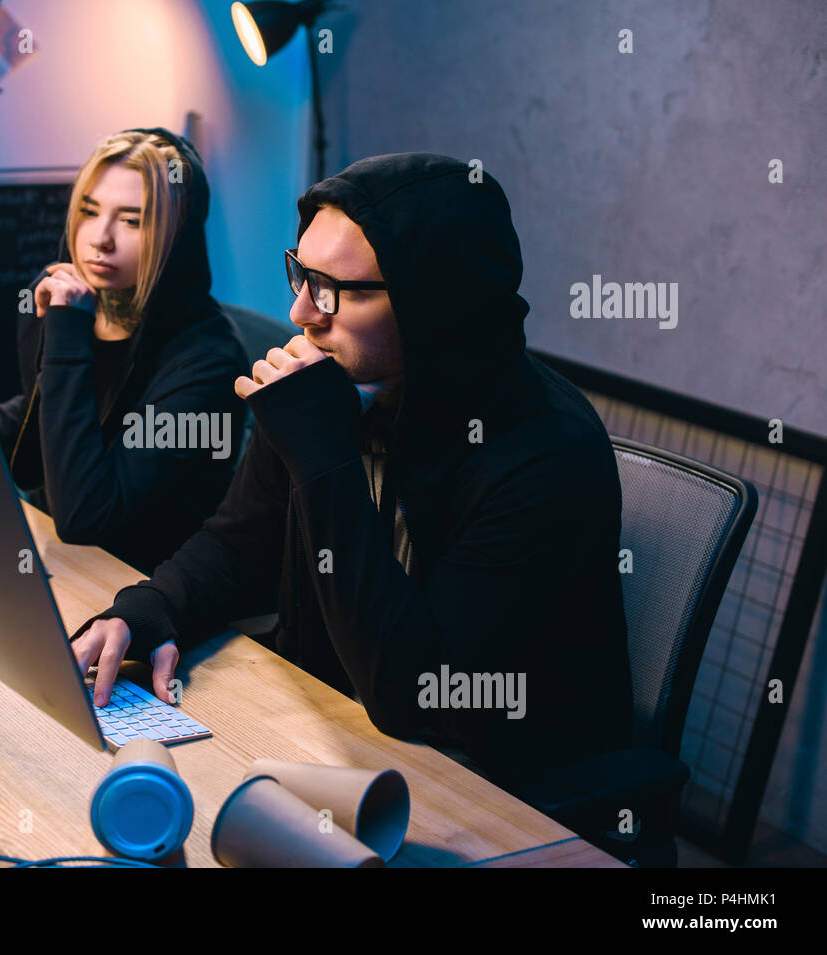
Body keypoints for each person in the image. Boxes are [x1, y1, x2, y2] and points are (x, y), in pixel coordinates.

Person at [71, 152, 634, 792]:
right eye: (301, 276)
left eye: (338, 290)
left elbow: (418, 694)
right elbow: (236, 543)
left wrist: (321, 455)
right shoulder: (351, 387)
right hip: (337, 728)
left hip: (493, 782)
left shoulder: (543, 454)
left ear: (433, 302)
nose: (302, 314)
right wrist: (147, 610)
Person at [0, 128, 248, 574]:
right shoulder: (73, 302)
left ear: (177, 233)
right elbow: (48, 409)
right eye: (89, 212)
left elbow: (86, 516)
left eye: (132, 220)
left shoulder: (209, 363)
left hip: (138, 581)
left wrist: (66, 336)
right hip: (58, 560)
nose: (99, 239)